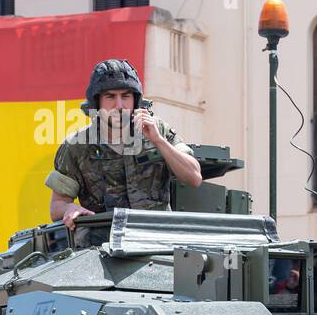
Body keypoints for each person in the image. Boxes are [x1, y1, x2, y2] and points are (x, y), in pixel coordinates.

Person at [45, 59, 203, 230]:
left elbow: (194, 178)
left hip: (157, 240)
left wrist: (158, 141)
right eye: (110, 96)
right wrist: (70, 208)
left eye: (126, 96)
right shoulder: (77, 145)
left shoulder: (157, 130)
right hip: (102, 246)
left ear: (135, 101)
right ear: (97, 102)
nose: (119, 105)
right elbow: (57, 207)